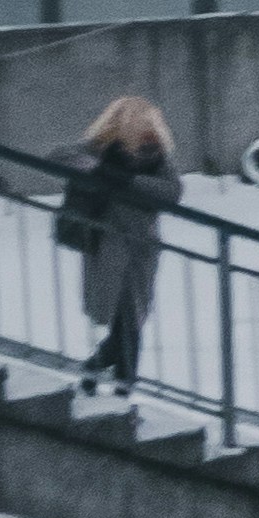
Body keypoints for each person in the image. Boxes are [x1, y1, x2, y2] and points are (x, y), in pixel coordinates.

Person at [57, 92, 184, 391]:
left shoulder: (155, 160)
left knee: (131, 314)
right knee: (122, 313)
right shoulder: (98, 151)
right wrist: (103, 172)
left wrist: (126, 182)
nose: (147, 136)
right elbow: (61, 157)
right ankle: (116, 378)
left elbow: (172, 192)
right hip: (106, 243)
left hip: (142, 247)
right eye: (141, 129)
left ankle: (106, 373)